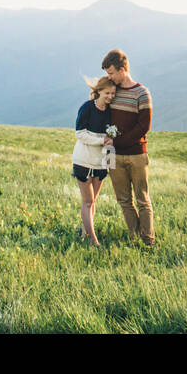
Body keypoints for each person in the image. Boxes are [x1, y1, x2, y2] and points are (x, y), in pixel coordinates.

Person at [102, 49, 155, 246]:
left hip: (136, 155)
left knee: (142, 200)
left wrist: (117, 143)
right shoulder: (112, 92)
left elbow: (144, 127)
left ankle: (148, 242)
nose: (109, 77)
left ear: (123, 69)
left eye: (112, 73)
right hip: (114, 157)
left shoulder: (142, 93)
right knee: (124, 201)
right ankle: (135, 240)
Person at [72, 75, 117, 248]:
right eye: (107, 93)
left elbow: (111, 140)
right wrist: (101, 140)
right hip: (84, 161)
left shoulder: (111, 112)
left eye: (113, 93)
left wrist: (110, 164)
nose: (110, 97)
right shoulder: (87, 108)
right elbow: (80, 133)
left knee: (93, 201)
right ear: (98, 91)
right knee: (88, 201)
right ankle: (93, 240)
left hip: (102, 163)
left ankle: (85, 233)